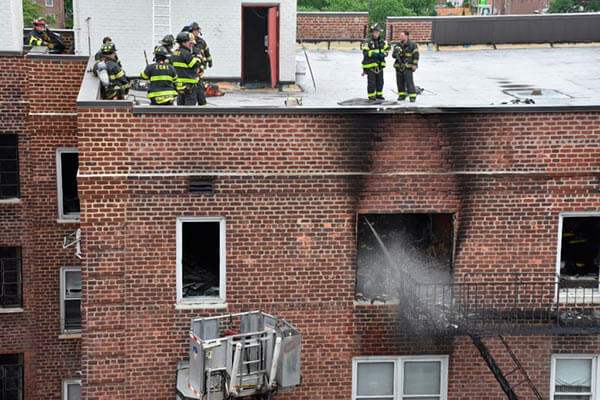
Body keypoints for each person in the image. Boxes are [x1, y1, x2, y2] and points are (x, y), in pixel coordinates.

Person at [171, 32, 206, 106]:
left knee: (180, 108)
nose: (191, 45)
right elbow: (195, 65)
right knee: (190, 109)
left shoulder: (174, 53)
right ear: (183, 42)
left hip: (179, 86)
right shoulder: (186, 54)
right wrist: (198, 58)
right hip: (189, 87)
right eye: (190, 43)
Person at [361, 23, 389, 102]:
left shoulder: (382, 42)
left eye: (378, 32)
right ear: (372, 33)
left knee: (380, 82)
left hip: (380, 65)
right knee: (372, 82)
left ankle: (379, 95)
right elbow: (365, 52)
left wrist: (384, 54)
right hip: (371, 66)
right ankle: (371, 96)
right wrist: (373, 54)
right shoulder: (367, 42)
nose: (376, 33)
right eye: (375, 32)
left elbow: (387, 50)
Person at [392, 31, 419, 102]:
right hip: (399, 66)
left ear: (407, 36)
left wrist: (415, 65)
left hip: (408, 66)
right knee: (400, 82)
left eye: (402, 35)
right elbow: (393, 55)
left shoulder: (412, 45)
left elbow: (416, 56)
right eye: (400, 35)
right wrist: (397, 54)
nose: (401, 37)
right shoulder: (397, 45)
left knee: (409, 82)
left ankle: (412, 96)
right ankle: (401, 95)